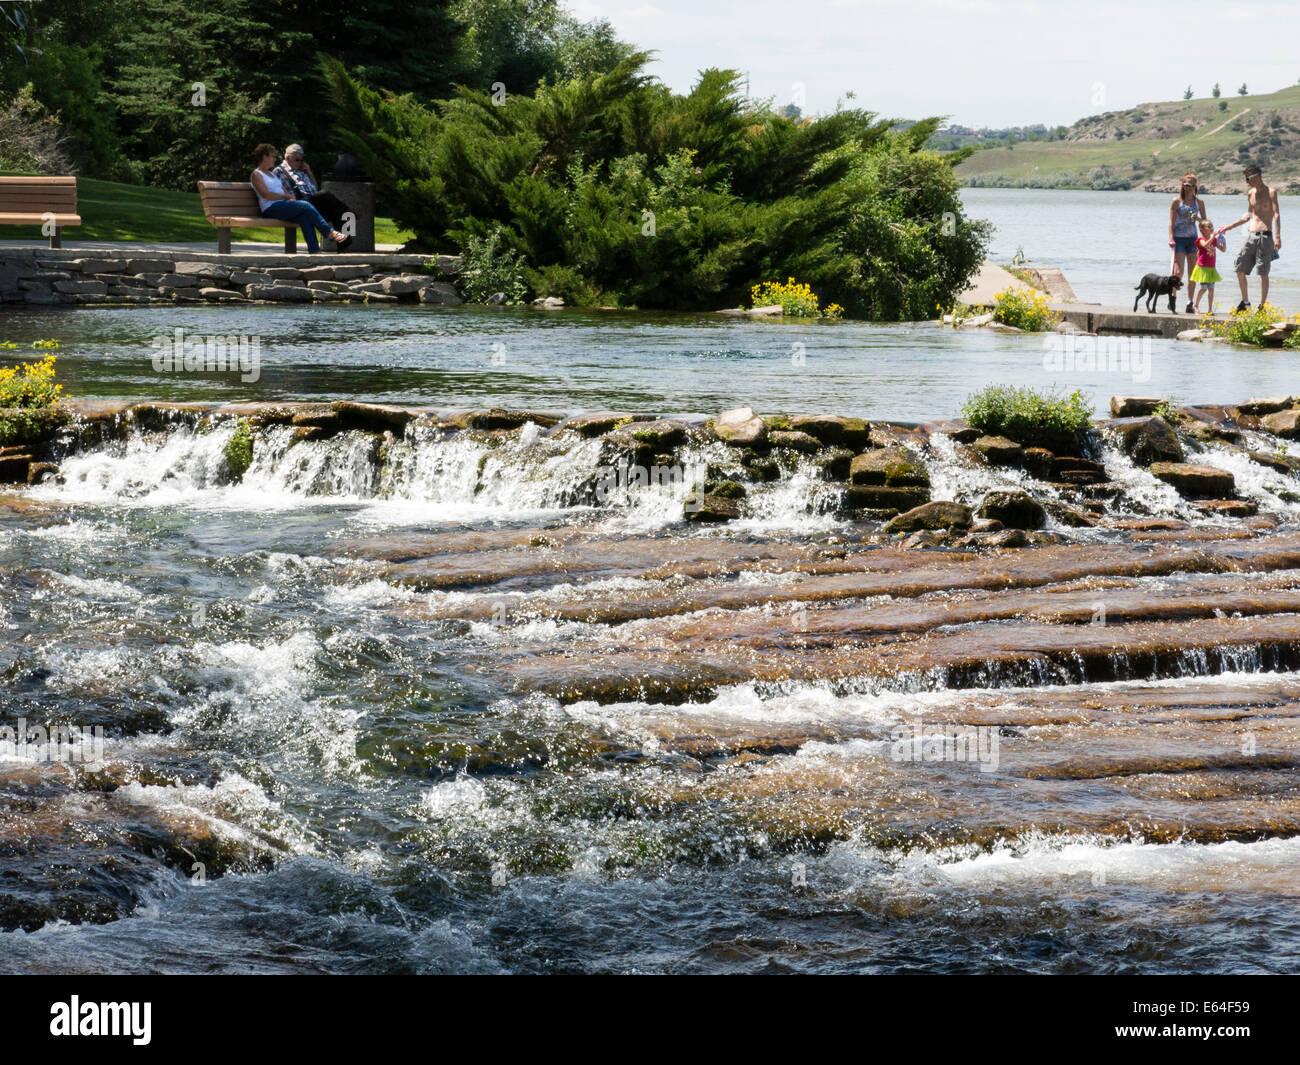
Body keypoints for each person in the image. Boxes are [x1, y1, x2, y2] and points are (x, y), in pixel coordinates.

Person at [249, 143, 349, 254]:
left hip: (282, 205)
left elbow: (285, 191)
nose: (275, 159)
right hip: (270, 208)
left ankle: (315, 251)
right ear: (264, 157)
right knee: (305, 205)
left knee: (304, 218)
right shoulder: (256, 174)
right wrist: (286, 197)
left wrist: (290, 198)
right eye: (273, 156)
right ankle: (329, 232)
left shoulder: (271, 175)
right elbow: (266, 195)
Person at [1220, 163, 1282, 311]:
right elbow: (1248, 216)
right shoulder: (1250, 193)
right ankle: (1246, 302)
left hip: (1265, 236)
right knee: (1239, 267)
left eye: (1249, 178)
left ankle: (1262, 306)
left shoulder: (1271, 192)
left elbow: (1276, 215)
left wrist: (1277, 237)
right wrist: (1229, 227)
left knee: (1263, 273)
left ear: (1258, 176)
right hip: (1251, 236)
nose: (1247, 182)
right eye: (1246, 179)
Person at [273, 144, 354, 237]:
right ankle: (349, 211)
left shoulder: (302, 170)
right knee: (325, 194)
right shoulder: (279, 171)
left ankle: (344, 243)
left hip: (311, 203)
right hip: (299, 204)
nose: (300, 163)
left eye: (302, 160)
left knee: (338, 212)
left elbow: (315, 189)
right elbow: (278, 192)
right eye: (297, 160)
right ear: (287, 158)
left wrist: (309, 173)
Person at [1167, 173, 1206, 313]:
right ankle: (1172, 297)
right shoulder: (1176, 201)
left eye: (1192, 185)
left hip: (1193, 239)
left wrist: (1198, 219)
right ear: (1183, 185)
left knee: (1192, 273)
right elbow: (1171, 222)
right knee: (1179, 271)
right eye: (1187, 184)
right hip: (1179, 239)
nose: (1189, 187)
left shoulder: (1199, 202)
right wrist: (1171, 238)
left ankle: (1190, 302)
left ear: (1196, 187)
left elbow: (1205, 223)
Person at [1190, 218, 1225, 314]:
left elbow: (1223, 249)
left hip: (1211, 268)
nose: (1211, 228)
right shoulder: (1200, 240)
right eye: (1209, 226)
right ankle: (1195, 305)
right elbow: (1205, 245)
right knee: (1204, 288)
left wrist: (1223, 240)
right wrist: (1213, 236)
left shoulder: (1214, 240)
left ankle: (1210, 309)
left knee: (1211, 289)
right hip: (1202, 268)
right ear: (1202, 229)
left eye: (1212, 226)